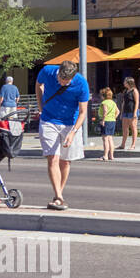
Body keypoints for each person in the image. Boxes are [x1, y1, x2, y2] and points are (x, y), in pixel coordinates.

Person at [36, 59, 90, 210]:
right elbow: (38, 84)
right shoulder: (47, 71)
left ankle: (59, 194)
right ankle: (58, 195)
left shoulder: (81, 84)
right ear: (58, 72)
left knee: (65, 161)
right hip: (48, 120)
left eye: (66, 81)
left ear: (73, 77)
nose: (62, 83)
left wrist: (73, 132)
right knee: (53, 158)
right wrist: (41, 106)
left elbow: (83, 112)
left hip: (70, 124)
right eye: (61, 79)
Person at [97, 87, 120, 161]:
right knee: (110, 138)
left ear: (103, 96)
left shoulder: (104, 103)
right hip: (112, 121)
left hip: (106, 121)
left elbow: (105, 111)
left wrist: (103, 120)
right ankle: (111, 156)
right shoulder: (113, 102)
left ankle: (105, 155)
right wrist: (114, 117)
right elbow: (118, 111)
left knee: (105, 139)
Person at [118, 76, 140, 150]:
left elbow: (137, 102)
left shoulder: (134, 91)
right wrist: (121, 112)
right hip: (126, 111)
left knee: (133, 128)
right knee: (125, 128)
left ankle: (133, 145)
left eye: (125, 81)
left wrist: (135, 113)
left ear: (129, 82)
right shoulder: (125, 91)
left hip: (132, 111)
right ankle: (123, 144)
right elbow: (123, 102)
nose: (124, 83)